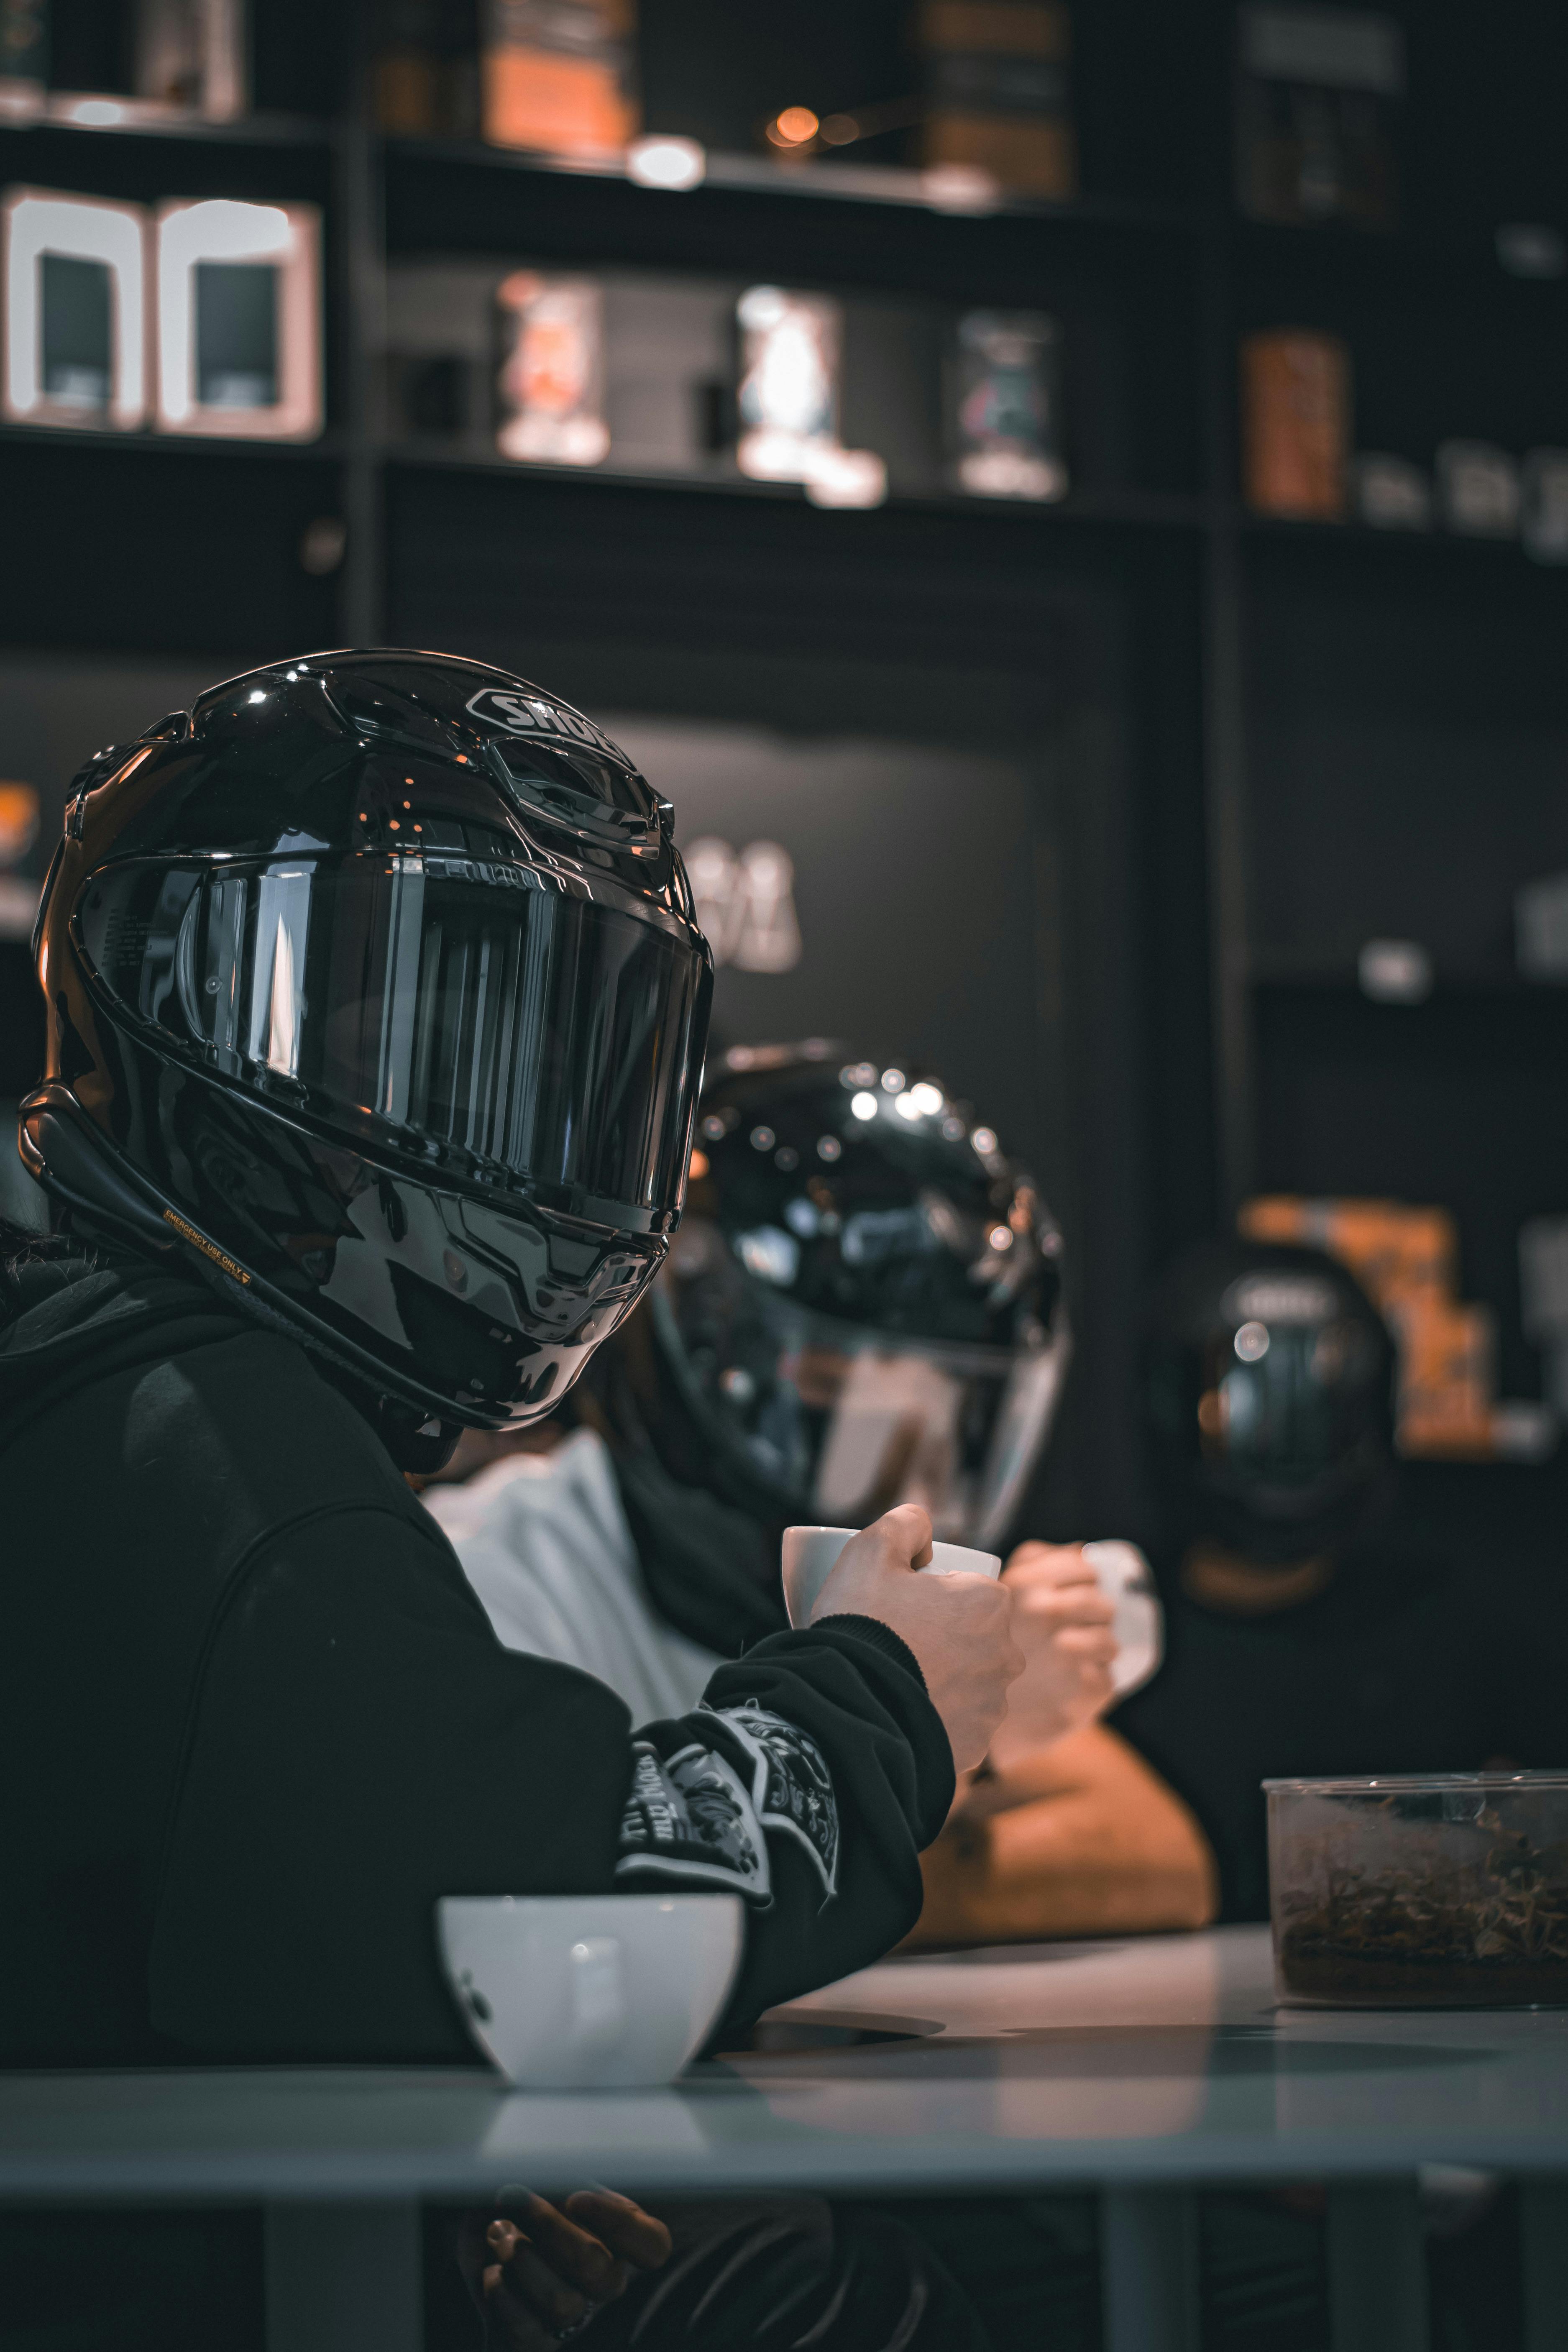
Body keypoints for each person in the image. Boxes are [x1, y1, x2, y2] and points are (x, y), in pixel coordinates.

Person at [0, 653, 1027, 2349]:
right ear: (193, 995)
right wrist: (882, 1684)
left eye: (558, 1062)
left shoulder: (97, 1370)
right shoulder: (198, 1441)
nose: (515, 1135)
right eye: (431, 1049)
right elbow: (565, 1903)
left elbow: (294, 1938)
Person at [424, 1042, 1215, 1949]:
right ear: (708, 1370)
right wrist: (924, 1800)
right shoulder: (494, 1585)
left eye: (946, 1435)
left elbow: (1158, 1848)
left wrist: (841, 1864)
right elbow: (572, 1917)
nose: (909, 1498)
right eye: (848, 1414)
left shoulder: (883, 1602)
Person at [1109, 1236, 1568, 1922]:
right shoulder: (1096, 1633)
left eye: (1315, 1403)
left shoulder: (1465, 1635)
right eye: (1248, 1406)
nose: (1283, 1443)